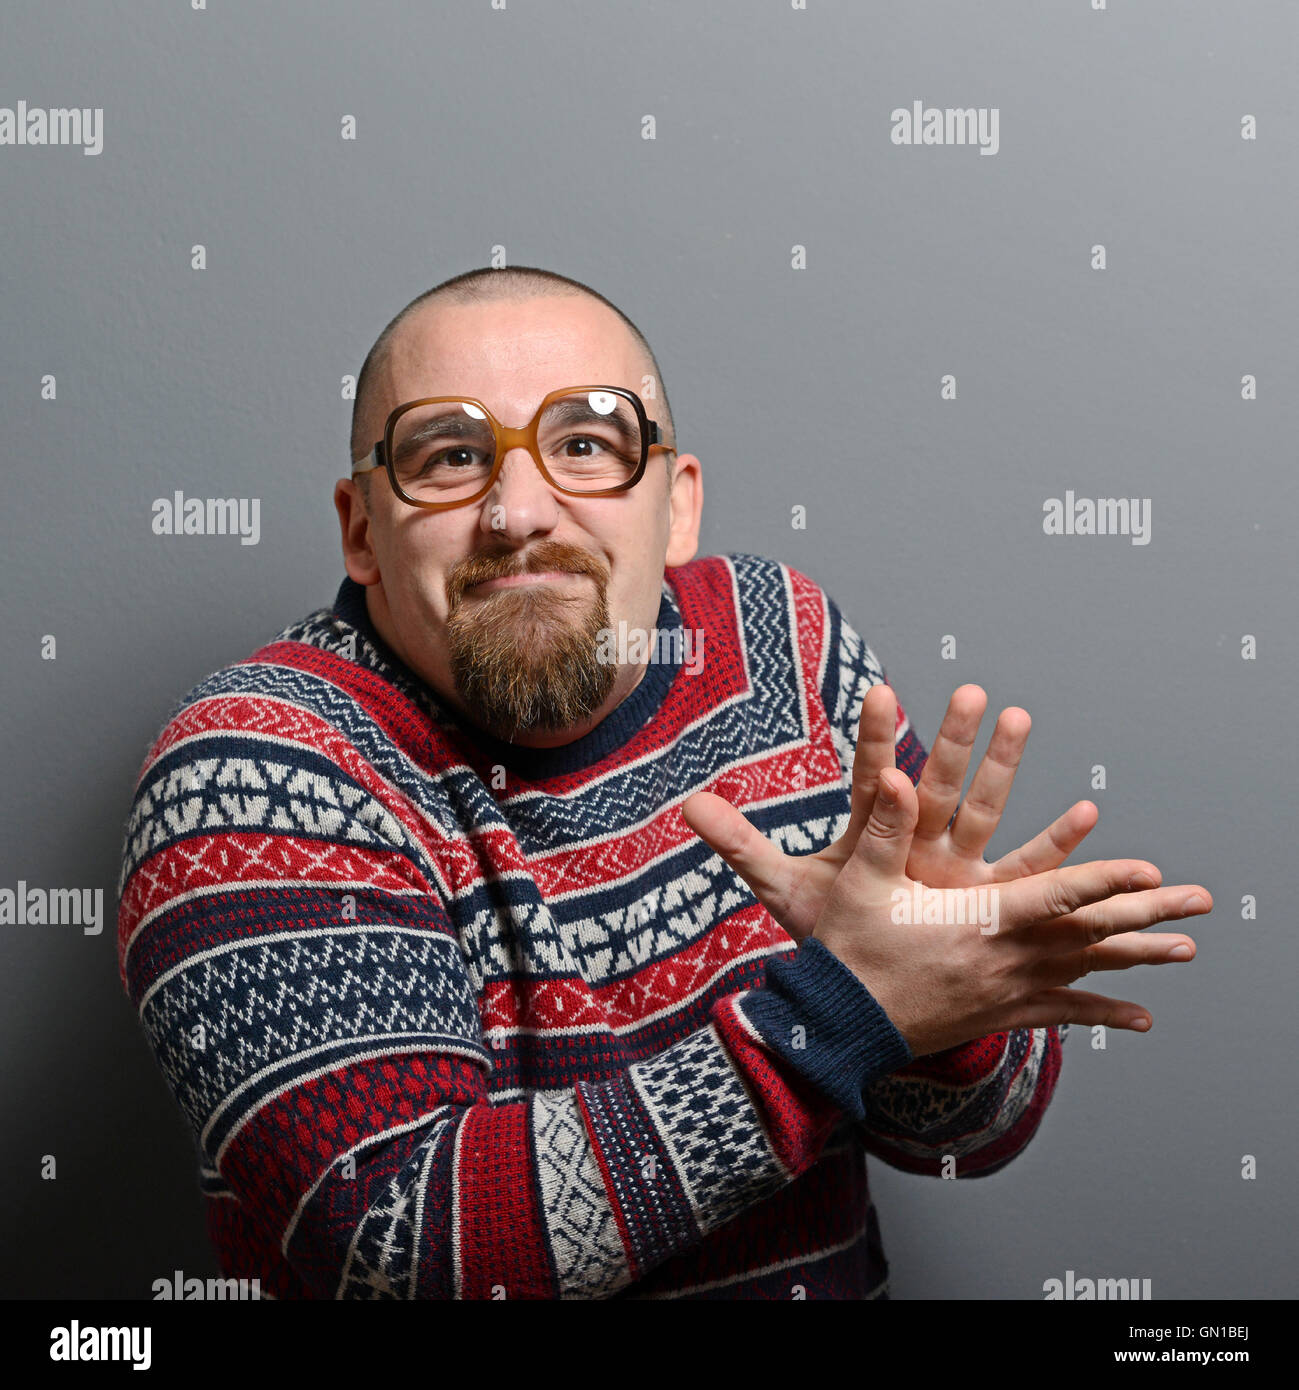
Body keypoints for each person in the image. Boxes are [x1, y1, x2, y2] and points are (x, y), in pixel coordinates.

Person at [114, 264, 1210, 1299]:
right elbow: (405, 1248)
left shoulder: (784, 643)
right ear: (361, 530)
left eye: (585, 442)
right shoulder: (255, 766)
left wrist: (953, 1012)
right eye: (449, 457)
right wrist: (844, 1014)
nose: (518, 511)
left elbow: (974, 1137)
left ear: (677, 505)